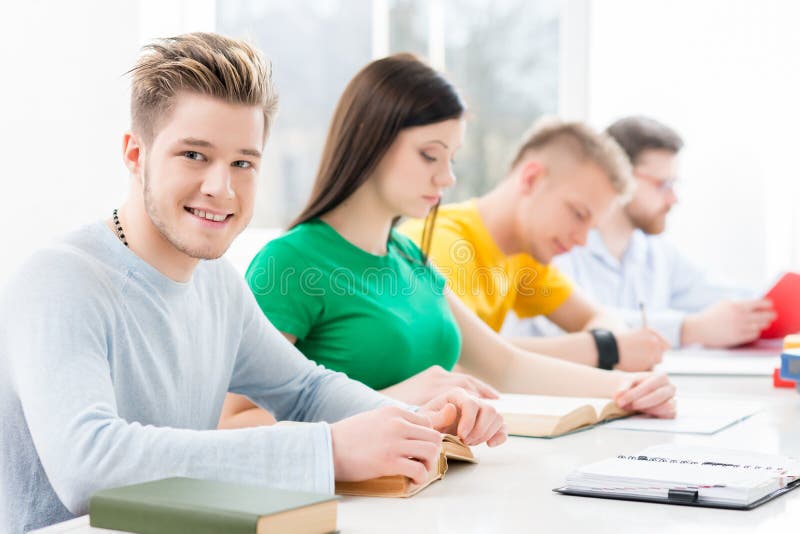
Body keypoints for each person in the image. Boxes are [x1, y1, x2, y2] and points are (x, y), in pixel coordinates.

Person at [0, 34, 506, 534]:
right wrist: (328, 450)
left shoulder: (217, 283)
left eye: (243, 162)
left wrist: (418, 421)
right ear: (135, 155)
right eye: (194, 155)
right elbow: (88, 465)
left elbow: (307, 389)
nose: (221, 187)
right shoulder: (60, 281)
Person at [220, 54, 676, 430]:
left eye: (452, 158)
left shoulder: (408, 259)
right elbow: (231, 425)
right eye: (429, 154)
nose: (447, 177)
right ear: (372, 140)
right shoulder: (290, 263)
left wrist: (627, 389)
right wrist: (397, 400)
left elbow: (506, 366)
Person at [399, 118, 669, 372]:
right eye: (578, 214)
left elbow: (603, 318)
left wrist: (605, 345)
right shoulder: (440, 244)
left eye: (592, 227)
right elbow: (461, 359)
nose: (582, 240)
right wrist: (601, 349)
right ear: (531, 179)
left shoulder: (524, 254)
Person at [503, 116, 775, 348]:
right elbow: (573, 330)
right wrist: (687, 328)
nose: (673, 199)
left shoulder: (656, 252)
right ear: (618, 175)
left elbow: (721, 292)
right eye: (662, 184)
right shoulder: (557, 243)